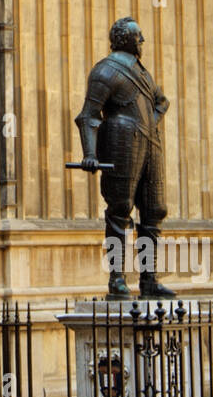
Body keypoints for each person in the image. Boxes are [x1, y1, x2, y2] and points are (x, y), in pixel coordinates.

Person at [75, 17, 176, 300]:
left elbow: (162, 101)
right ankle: (117, 279)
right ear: (125, 39)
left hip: (149, 143)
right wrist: (90, 154)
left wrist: (149, 125)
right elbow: (88, 116)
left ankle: (149, 279)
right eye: (138, 36)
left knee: (154, 210)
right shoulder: (105, 71)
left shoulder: (142, 73)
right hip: (121, 141)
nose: (142, 41)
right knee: (120, 210)